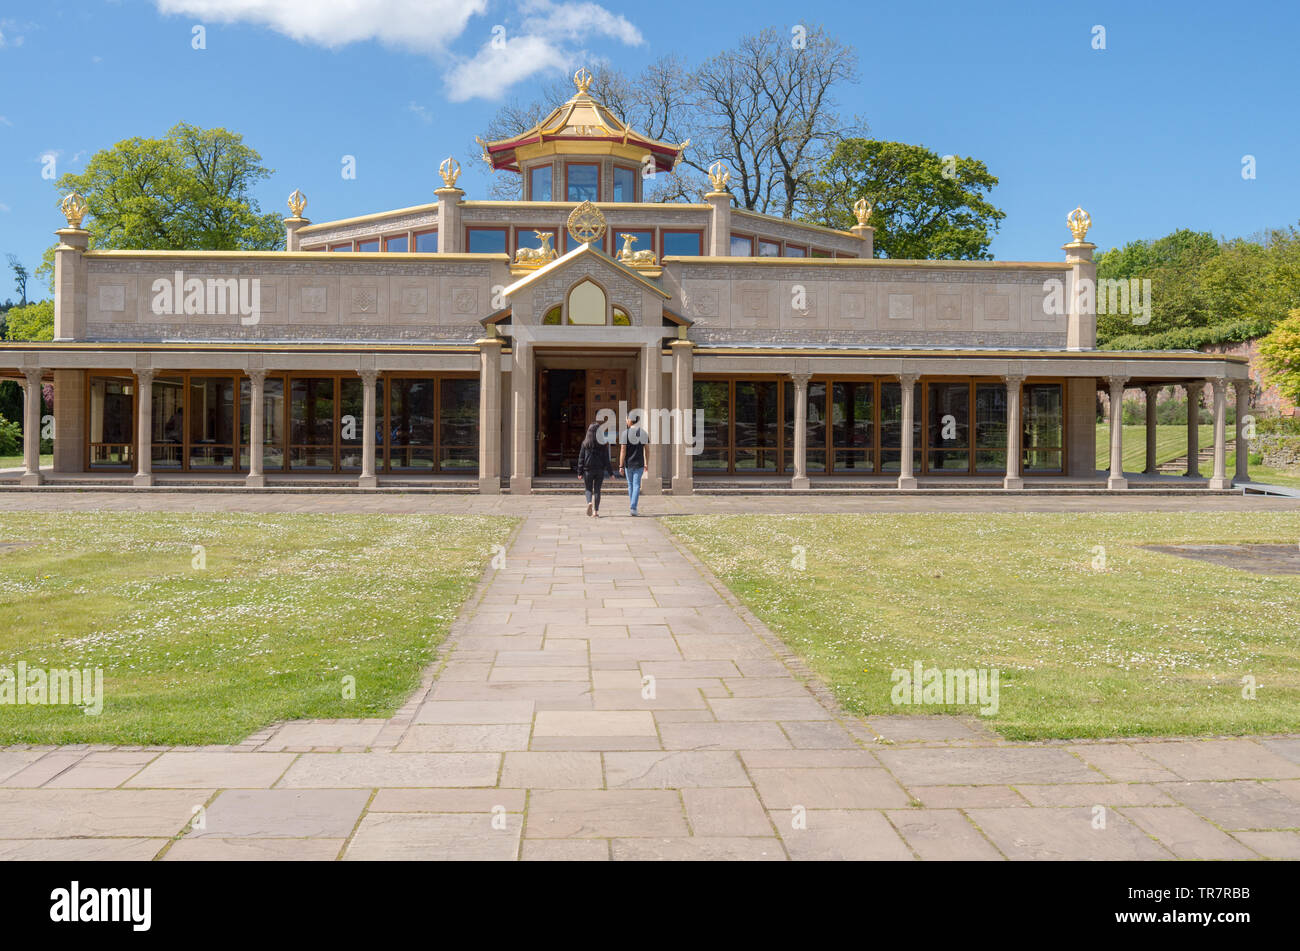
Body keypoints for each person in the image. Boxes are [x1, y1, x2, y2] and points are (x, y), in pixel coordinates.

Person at [576, 422, 613, 517]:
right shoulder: (603, 444)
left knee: (588, 489)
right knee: (597, 490)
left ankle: (589, 502)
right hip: (599, 470)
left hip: (588, 470)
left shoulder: (585, 443)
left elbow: (581, 458)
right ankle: (596, 512)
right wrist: (611, 473)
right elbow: (606, 460)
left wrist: (579, 472)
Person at [619, 417, 649, 516]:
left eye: (627, 419)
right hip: (639, 463)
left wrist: (621, 465)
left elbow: (623, 450)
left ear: (630, 420)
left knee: (631, 485)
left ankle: (632, 506)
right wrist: (646, 463)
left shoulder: (625, 433)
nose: (626, 421)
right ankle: (633, 507)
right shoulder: (643, 433)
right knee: (636, 485)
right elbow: (647, 450)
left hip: (628, 464)